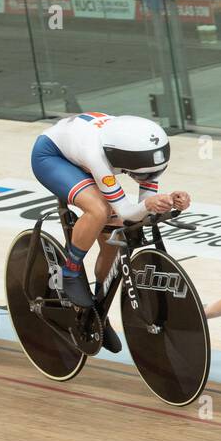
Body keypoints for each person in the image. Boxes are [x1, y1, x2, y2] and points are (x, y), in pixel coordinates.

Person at [30, 113, 192, 351]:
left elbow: (143, 208)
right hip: (52, 157)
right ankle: (70, 271)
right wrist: (147, 205)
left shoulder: (144, 152)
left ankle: (96, 311)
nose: (147, 178)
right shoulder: (98, 156)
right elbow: (127, 211)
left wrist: (168, 201)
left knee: (115, 240)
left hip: (82, 157)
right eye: (141, 173)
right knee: (99, 210)